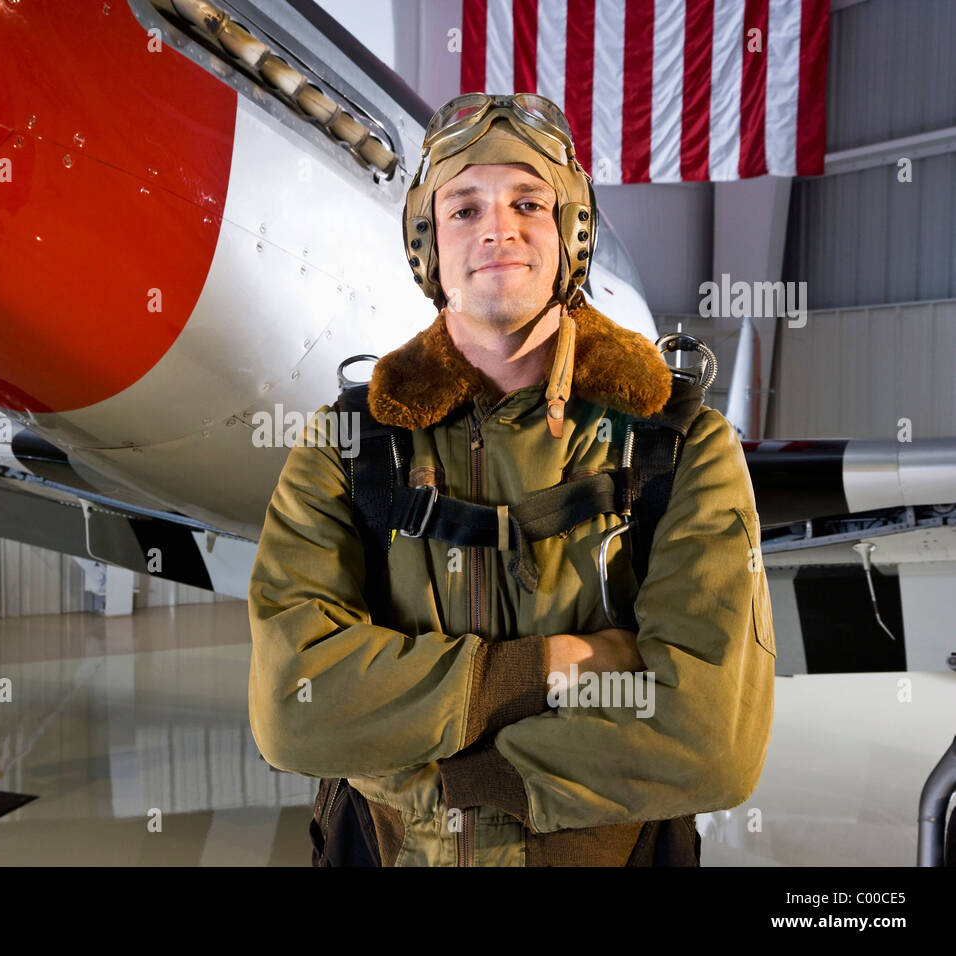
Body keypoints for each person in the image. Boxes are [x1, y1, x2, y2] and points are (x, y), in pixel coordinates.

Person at [247, 93, 776, 866]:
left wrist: (451, 775)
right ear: (427, 245)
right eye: (463, 209)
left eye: (529, 202)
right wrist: (554, 668)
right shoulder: (347, 445)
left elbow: (710, 742)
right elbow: (294, 713)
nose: (498, 228)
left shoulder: (681, 446)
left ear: (572, 235)